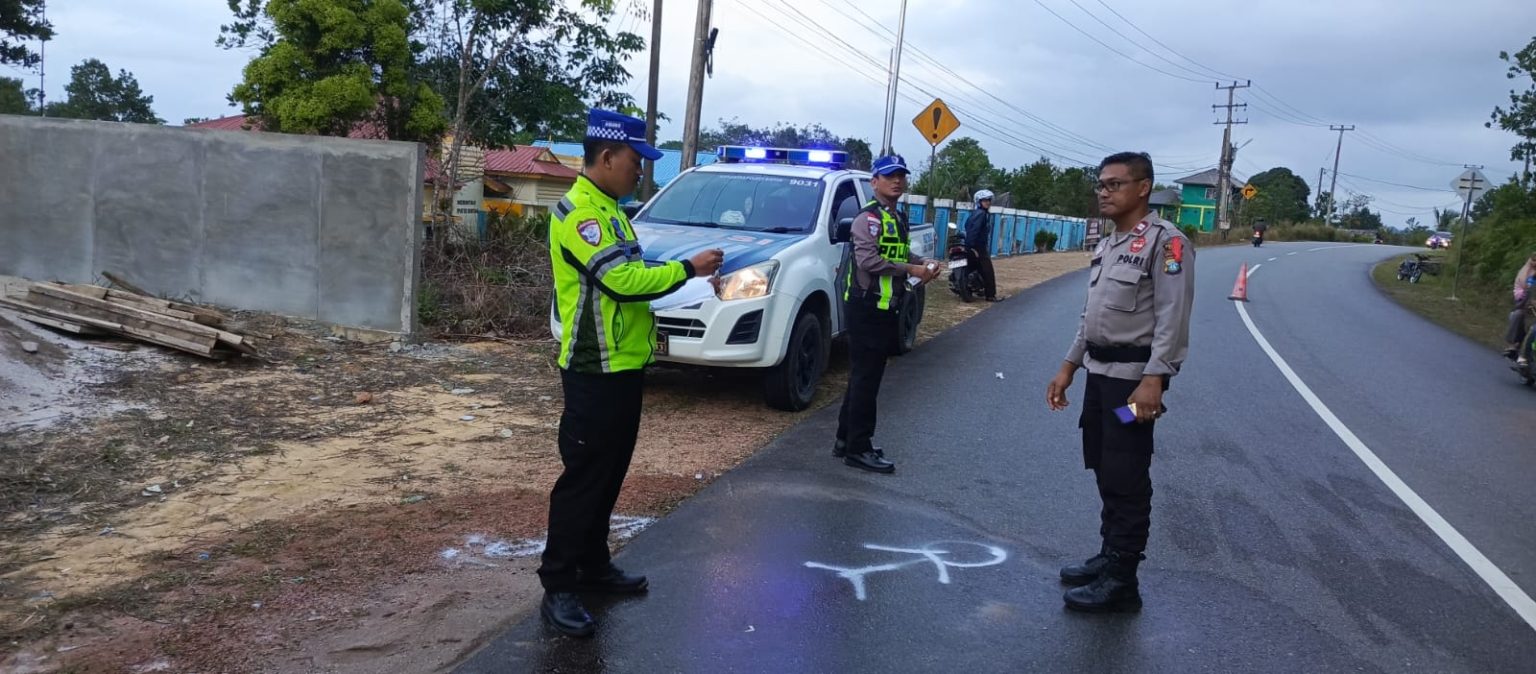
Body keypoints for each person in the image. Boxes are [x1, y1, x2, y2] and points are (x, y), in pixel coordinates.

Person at [539, 109, 724, 638]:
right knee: (583, 480)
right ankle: (558, 586)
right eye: (634, 162)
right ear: (606, 157)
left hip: (624, 365)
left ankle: (594, 565)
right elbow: (621, 280)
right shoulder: (581, 214)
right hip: (593, 369)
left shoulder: (615, 211)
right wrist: (688, 269)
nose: (639, 172)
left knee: (610, 473)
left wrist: (683, 275)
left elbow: (637, 274)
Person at [1044, 151, 1195, 613]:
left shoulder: (1166, 244)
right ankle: (1109, 556)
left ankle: (1123, 581)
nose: (1104, 192)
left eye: (1114, 184)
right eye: (1101, 185)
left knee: (1127, 476)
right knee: (1105, 469)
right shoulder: (1110, 244)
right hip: (1100, 375)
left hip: (1133, 383)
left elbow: (1173, 317)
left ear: (1143, 188)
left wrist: (1155, 379)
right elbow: (1091, 317)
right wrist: (1069, 366)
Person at [832, 153, 940, 473]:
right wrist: (912, 269)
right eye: (889, 175)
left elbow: (898, 250)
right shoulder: (867, 219)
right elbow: (869, 262)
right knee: (867, 379)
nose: (897, 180)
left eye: (901, 176)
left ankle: (845, 440)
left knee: (862, 377)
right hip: (865, 307)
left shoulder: (896, 216)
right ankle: (859, 449)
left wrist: (922, 263)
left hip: (884, 307)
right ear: (874, 182)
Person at [964, 189, 1003, 301]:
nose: (987, 202)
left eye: (989, 200)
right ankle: (990, 295)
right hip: (978, 247)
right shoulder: (981, 214)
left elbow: (967, 227)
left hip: (972, 245)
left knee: (971, 268)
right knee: (987, 270)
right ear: (979, 201)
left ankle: (974, 289)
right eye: (984, 200)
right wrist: (972, 247)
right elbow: (974, 231)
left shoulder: (975, 213)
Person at [1505, 253, 1536, 363]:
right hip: (1529, 310)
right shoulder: (1530, 278)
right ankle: (1518, 352)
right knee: (1521, 318)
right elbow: (1527, 295)